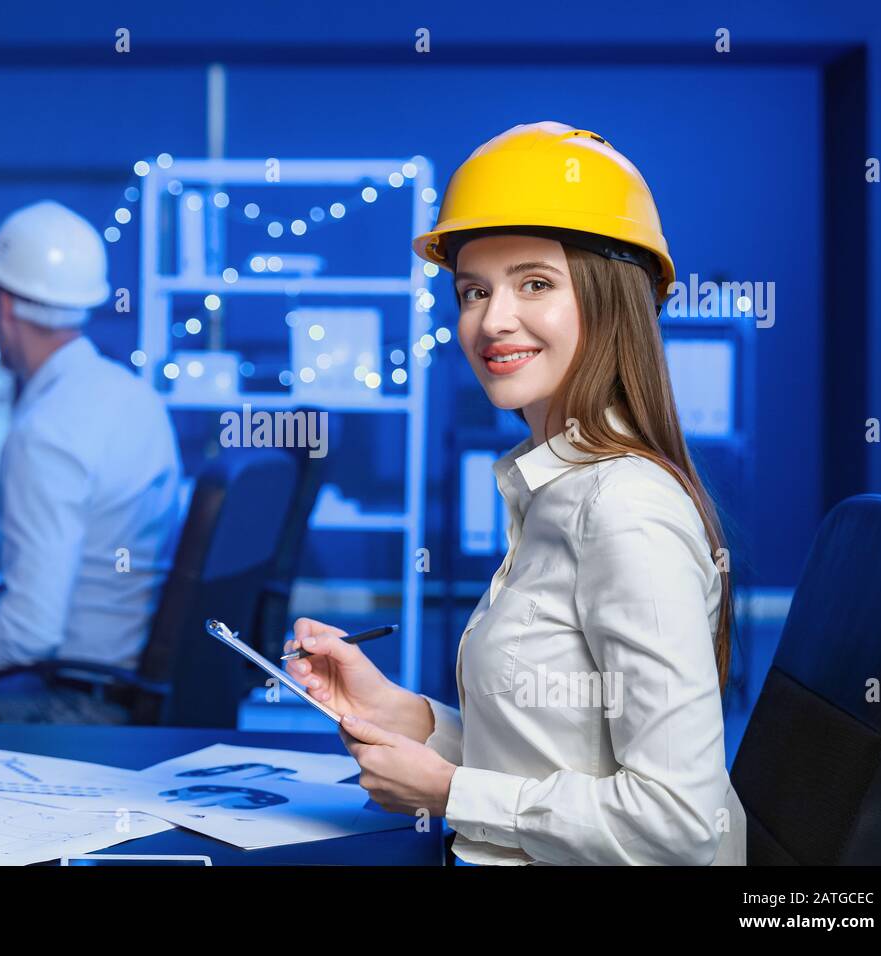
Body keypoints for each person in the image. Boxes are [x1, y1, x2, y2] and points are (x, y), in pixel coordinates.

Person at [286, 122, 746, 865]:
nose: (491, 320)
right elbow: (562, 749)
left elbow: (680, 824)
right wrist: (404, 716)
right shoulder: (556, 489)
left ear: (610, 299)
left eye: (534, 283)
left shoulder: (625, 511)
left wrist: (447, 791)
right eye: (473, 290)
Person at [0, 201, 181, 723]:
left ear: (3, 306)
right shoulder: (135, 396)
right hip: (132, 686)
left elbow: (30, 631)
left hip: (79, 704)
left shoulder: (43, 432)